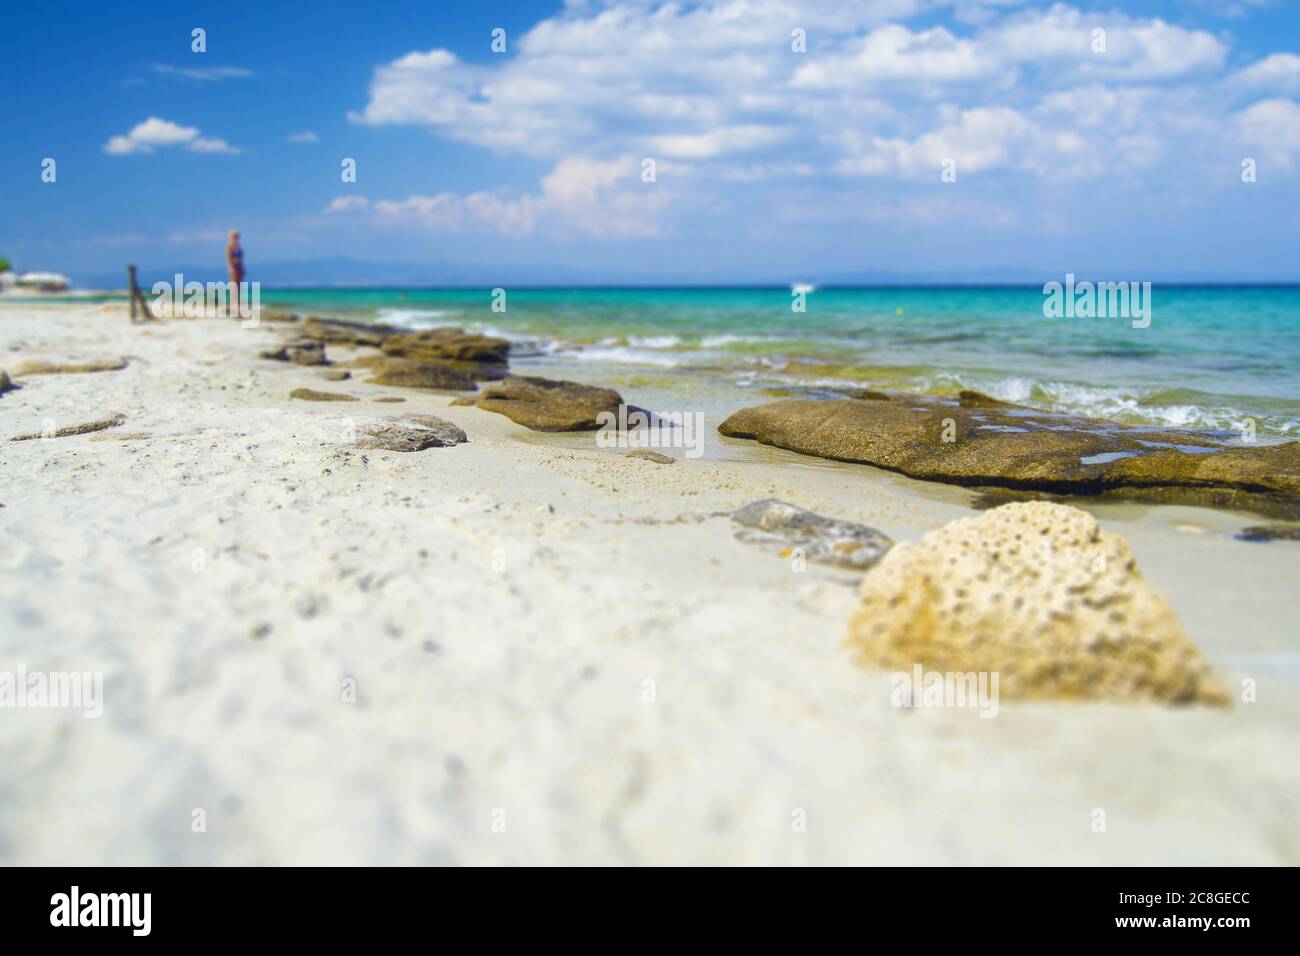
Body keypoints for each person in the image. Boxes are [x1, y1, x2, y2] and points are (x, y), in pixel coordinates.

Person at [225, 230, 245, 316]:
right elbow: (229, 258)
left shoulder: (238, 246)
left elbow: (241, 259)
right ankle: (234, 307)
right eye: (234, 236)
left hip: (239, 268)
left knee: (239, 288)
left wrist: (242, 269)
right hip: (234, 268)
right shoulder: (230, 246)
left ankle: (238, 307)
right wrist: (231, 268)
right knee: (234, 288)